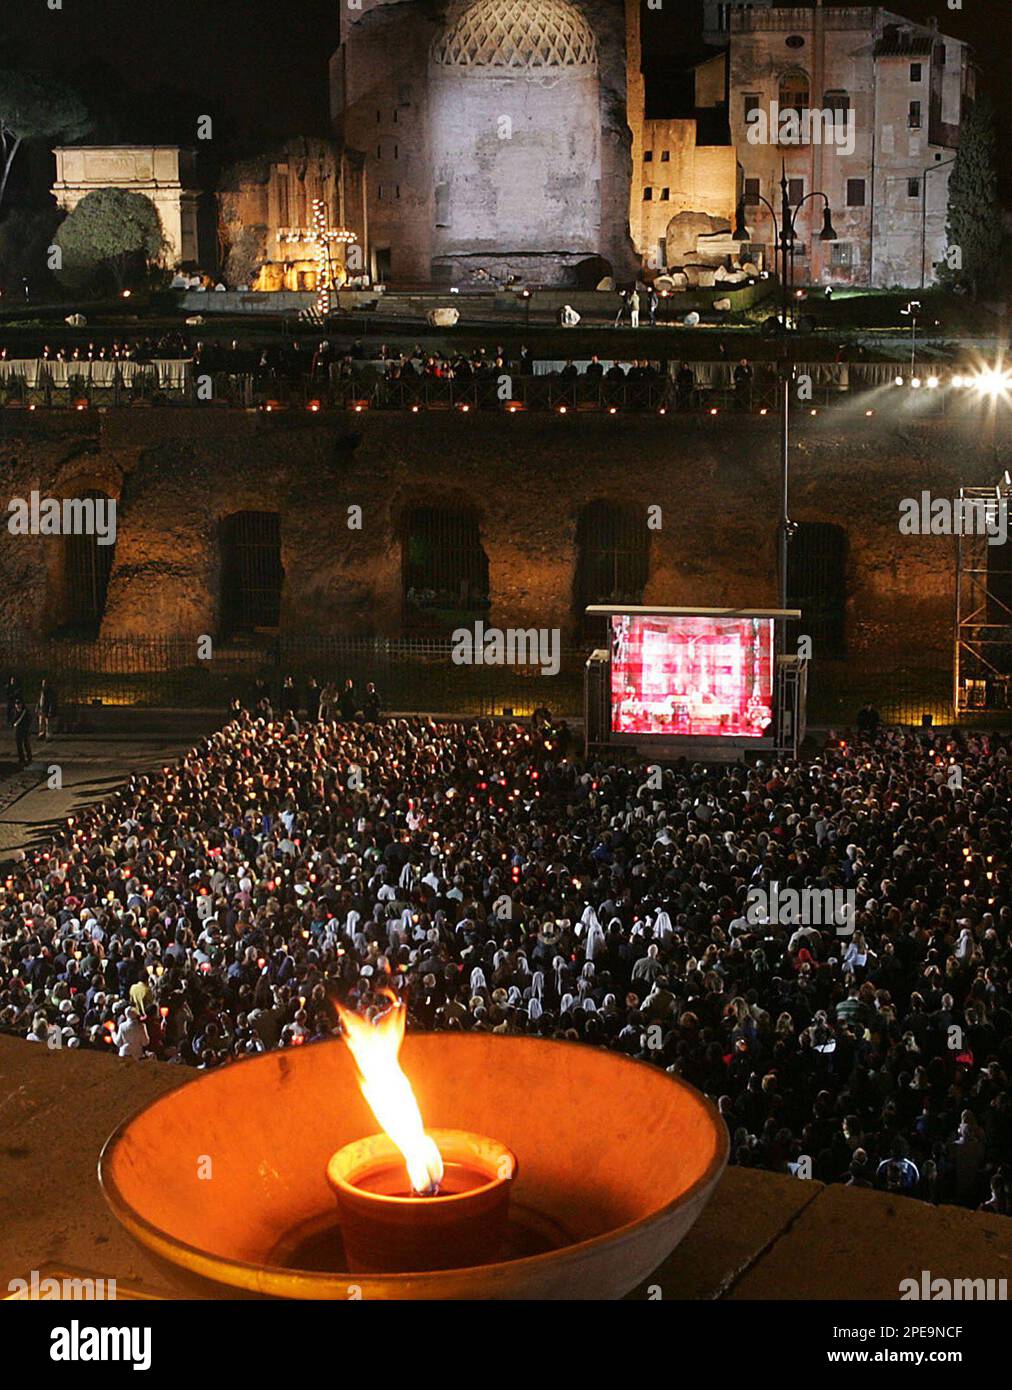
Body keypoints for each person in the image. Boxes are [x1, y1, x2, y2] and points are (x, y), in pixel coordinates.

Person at [12, 698, 31, 766]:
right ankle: (21, 758)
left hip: (24, 729)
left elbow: (29, 720)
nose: (17, 706)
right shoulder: (15, 711)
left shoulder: (25, 712)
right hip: (18, 730)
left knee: (26, 744)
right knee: (19, 744)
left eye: (18, 704)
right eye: (16, 704)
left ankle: (29, 757)